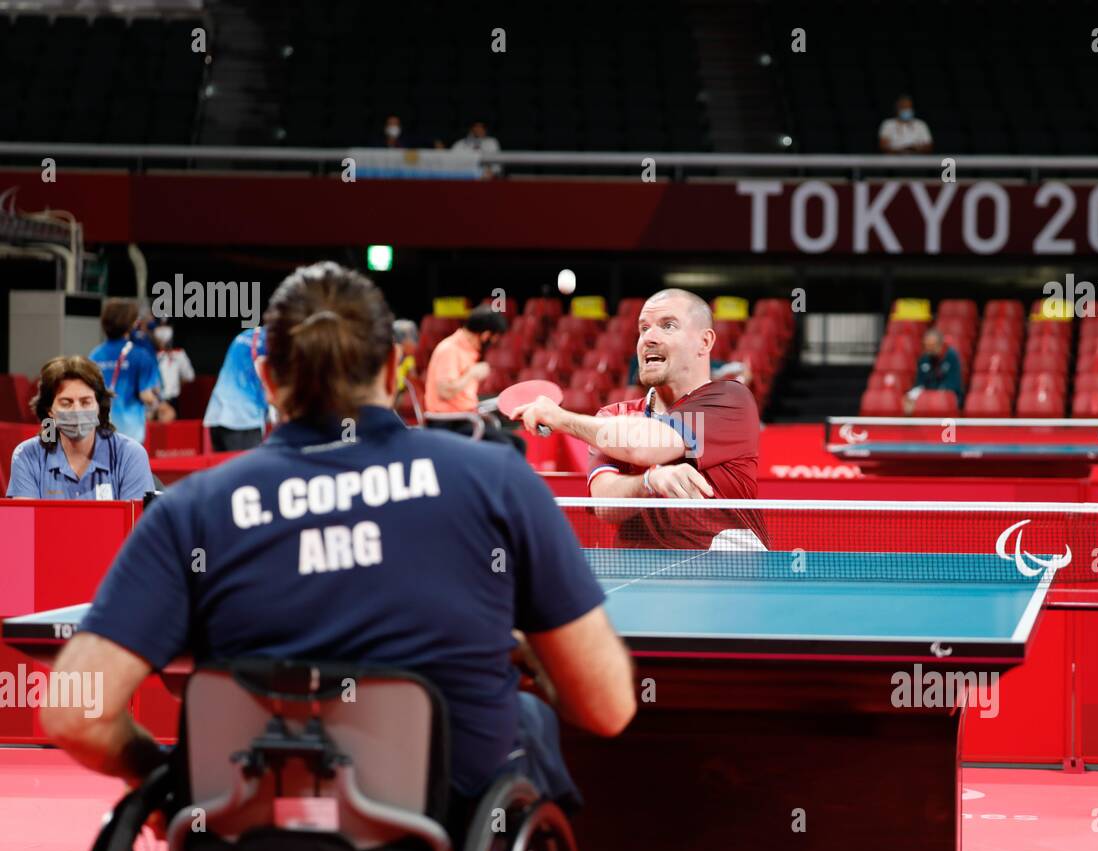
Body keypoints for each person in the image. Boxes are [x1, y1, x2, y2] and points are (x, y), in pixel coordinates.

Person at [39, 261, 635, 822]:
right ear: (393, 366)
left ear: (268, 378)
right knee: (527, 718)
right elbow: (608, 707)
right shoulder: (496, 480)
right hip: (435, 826)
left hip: (246, 829)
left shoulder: (192, 509)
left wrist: (168, 777)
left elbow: (74, 711)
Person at [510, 288, 765, 549]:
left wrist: (560, 418)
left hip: (724, 577)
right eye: (643, 329)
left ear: (705, 342)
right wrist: (648, 482)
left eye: (668, 326)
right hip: (640, 577)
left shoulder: (729, 400)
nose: (649, 338)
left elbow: (644, 447)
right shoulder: (613, 417)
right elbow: (606, 507)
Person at [7, 355, 154, 500]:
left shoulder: (130, 455)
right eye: (66, 403)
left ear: (99, 406)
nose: (77, 410)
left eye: (86, 402)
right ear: (49, 410)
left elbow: (137, 522)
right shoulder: (27, 455)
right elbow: (24, 523)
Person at [87, 298, 163, 444]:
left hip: (99, 430)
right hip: (130, 433)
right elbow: (146, 395)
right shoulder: (141, 356)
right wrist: (157, 404)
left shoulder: (95, 355)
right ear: (132, 324)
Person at [203, 325, 269, 451]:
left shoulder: (245, 335)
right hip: (243, 422)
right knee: (248, 470)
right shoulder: (275, 342)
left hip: (217, 417)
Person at [903, 327, 962, 414]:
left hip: (946, 397)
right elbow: (920, 383)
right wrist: (912, 395)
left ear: (940, 344)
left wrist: (933, 395)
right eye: (927, 346)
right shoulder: (924, 359)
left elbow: (953, 384)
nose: (929, 349)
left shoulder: (952, 357)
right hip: (928, 397)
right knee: (909, 400)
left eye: (932, 346)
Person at [152, 323, 194, 422]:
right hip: (151, 401)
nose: (163, 333)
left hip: (172, 400)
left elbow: (189, 377)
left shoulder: (178, 354)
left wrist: (176, 386)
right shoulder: (148, 355)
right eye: (160, 328)